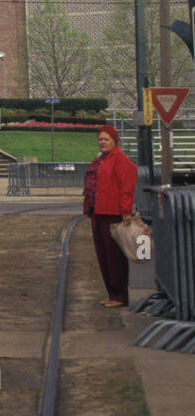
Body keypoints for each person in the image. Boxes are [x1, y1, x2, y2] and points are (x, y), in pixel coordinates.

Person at [83, 125, 138, 308]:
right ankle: (112, 293)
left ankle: (120, 295)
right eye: (100, 139)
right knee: (103, 254)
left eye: (106, 139)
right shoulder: (100, 159)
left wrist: (125, 212)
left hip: (112, 213)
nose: (103, 142)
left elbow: (126, 188)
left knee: (114, 256)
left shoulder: (121, 161)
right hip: (97, 212)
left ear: (115, 141)